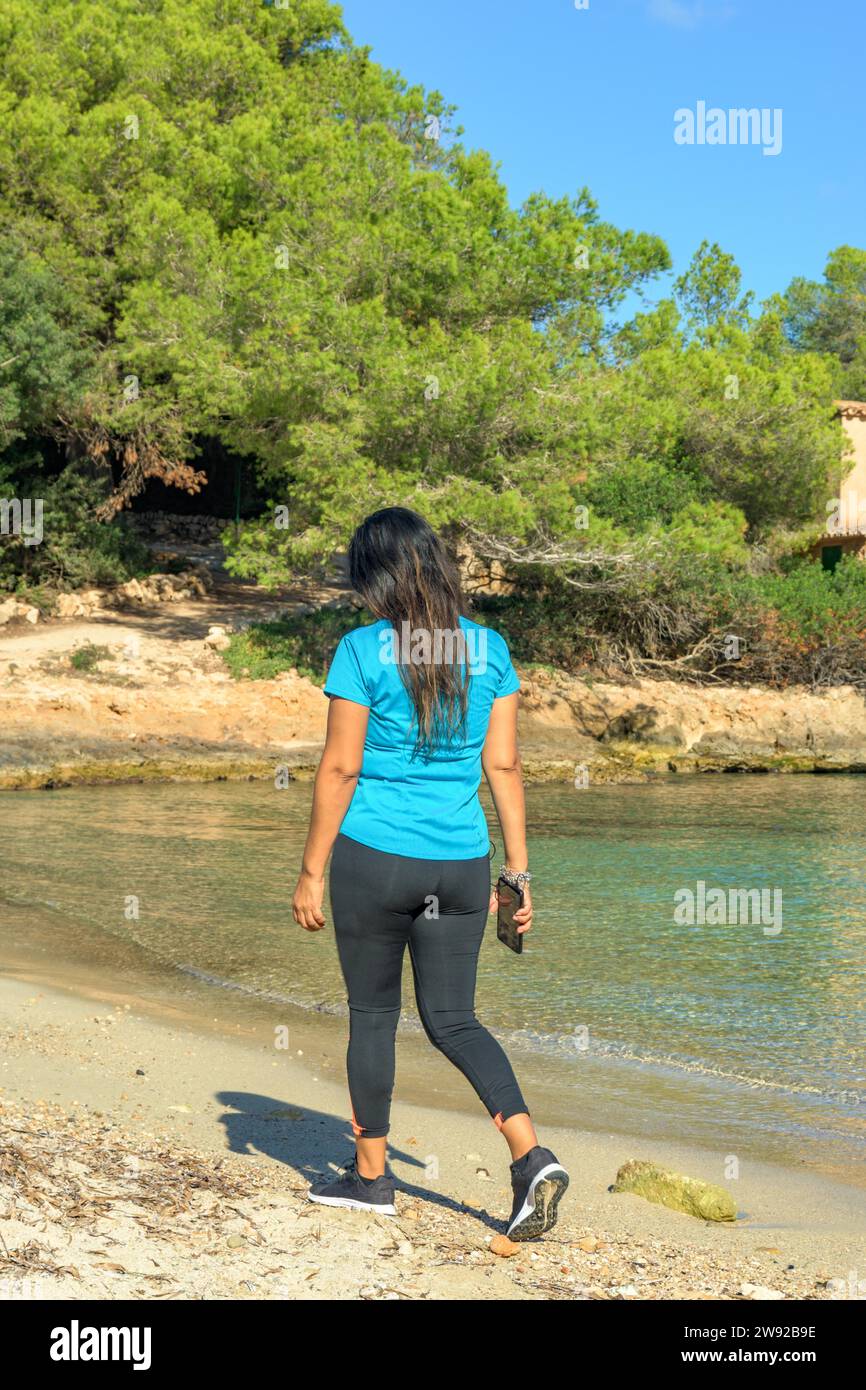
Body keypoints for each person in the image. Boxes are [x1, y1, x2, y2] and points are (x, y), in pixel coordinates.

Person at [291, 507, 569, 1240]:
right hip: (461, 866)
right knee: (454, 1020)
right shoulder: (490, 649)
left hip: (375, 861)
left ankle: (372, 1179)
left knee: (374, 1017)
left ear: (377, 577)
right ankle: (529, 1156)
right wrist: (520, 872)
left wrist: (311, 870)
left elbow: (342, 767)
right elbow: (502, 765)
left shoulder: (360, 650)